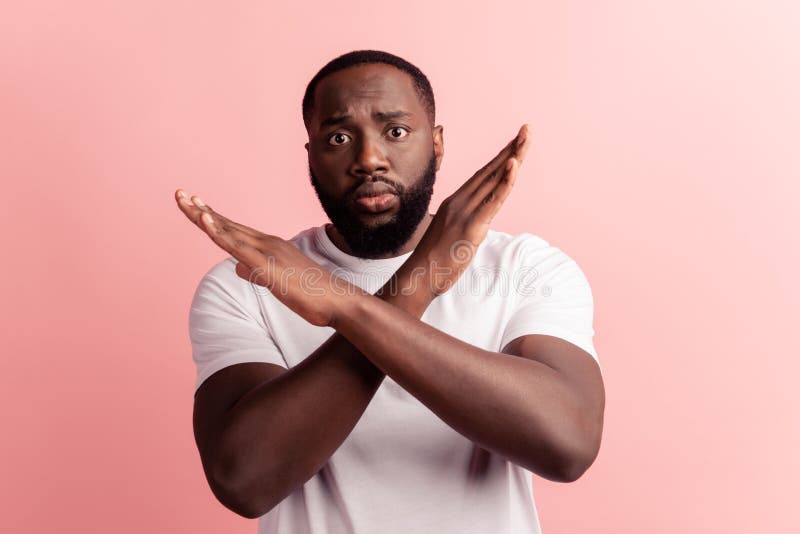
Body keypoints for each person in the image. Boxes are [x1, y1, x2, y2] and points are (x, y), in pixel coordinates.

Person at [175, 49, 605, 534]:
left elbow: (568, 444)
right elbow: (245, 480)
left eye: (395, 131)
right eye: (338, 137)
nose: (369, 159)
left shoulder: (523, 267)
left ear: (437, 144)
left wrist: (341, 305)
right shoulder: (248, 284)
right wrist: (420, 281)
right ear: (311, 155)